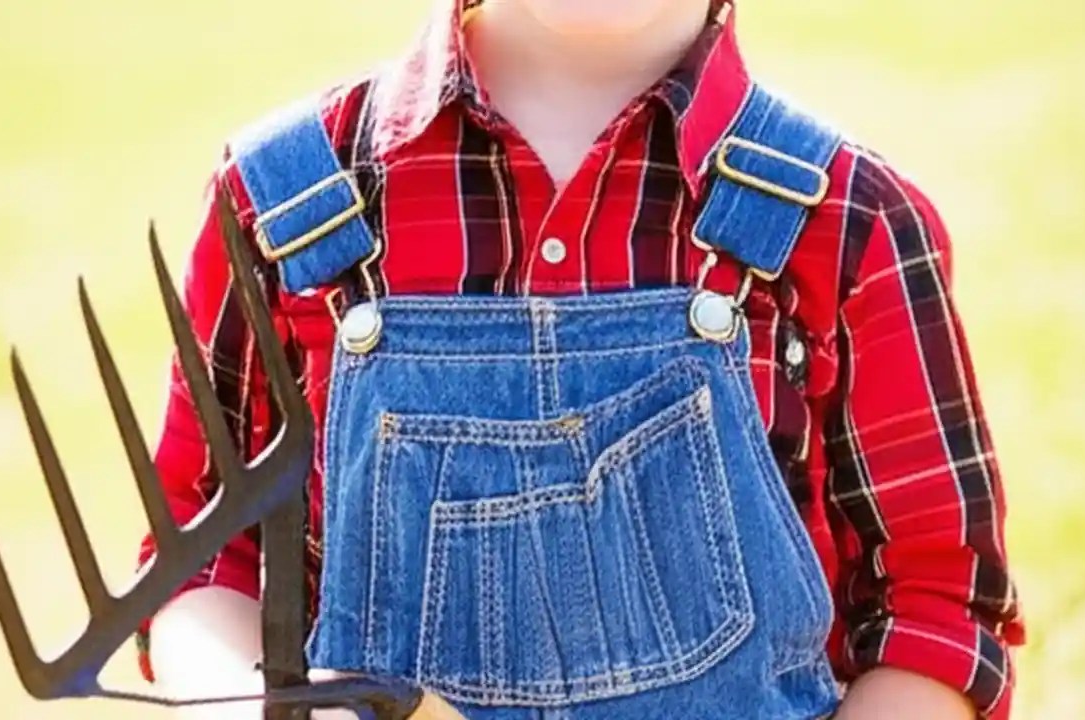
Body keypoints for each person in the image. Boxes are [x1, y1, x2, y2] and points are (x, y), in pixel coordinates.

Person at [140, 1, 1024, 718]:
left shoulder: (850, 223)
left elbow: (934, 608)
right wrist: (255, 706)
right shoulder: (288, 202)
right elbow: (202, 556)